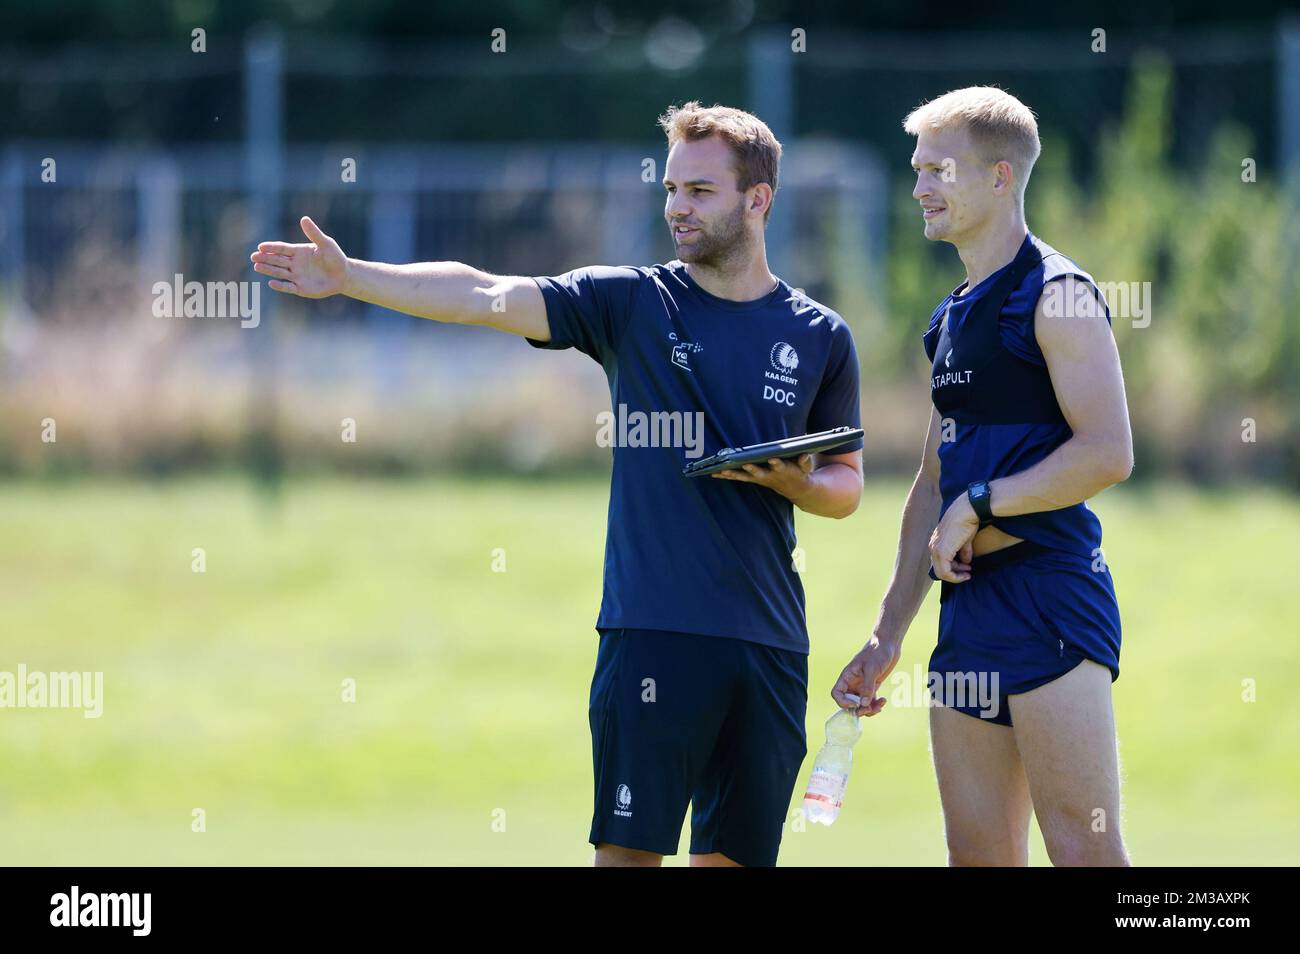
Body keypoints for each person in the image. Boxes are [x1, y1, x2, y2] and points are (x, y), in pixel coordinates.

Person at [251, 101, 864, 867]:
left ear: (757, 199)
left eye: (699, 192)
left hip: (771, 644)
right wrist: (353, 279)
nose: (677, 206)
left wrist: (793, 484)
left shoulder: (820, 335)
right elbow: (484, 293)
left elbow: (846, 484)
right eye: (671, 188)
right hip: (653, 634)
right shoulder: (633, 302)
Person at [832, 87, 1133, 866]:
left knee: (1083, 852)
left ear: (1000, 177)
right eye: (917, 170)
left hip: (1050, 599)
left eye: (939, 169)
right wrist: (885, 633)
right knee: (979, 860)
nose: (920, 188)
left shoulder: (1059, 295)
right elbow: (932, 485)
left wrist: (985, 503)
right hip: (965, 616)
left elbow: (1108, 452)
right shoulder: (949, 318)